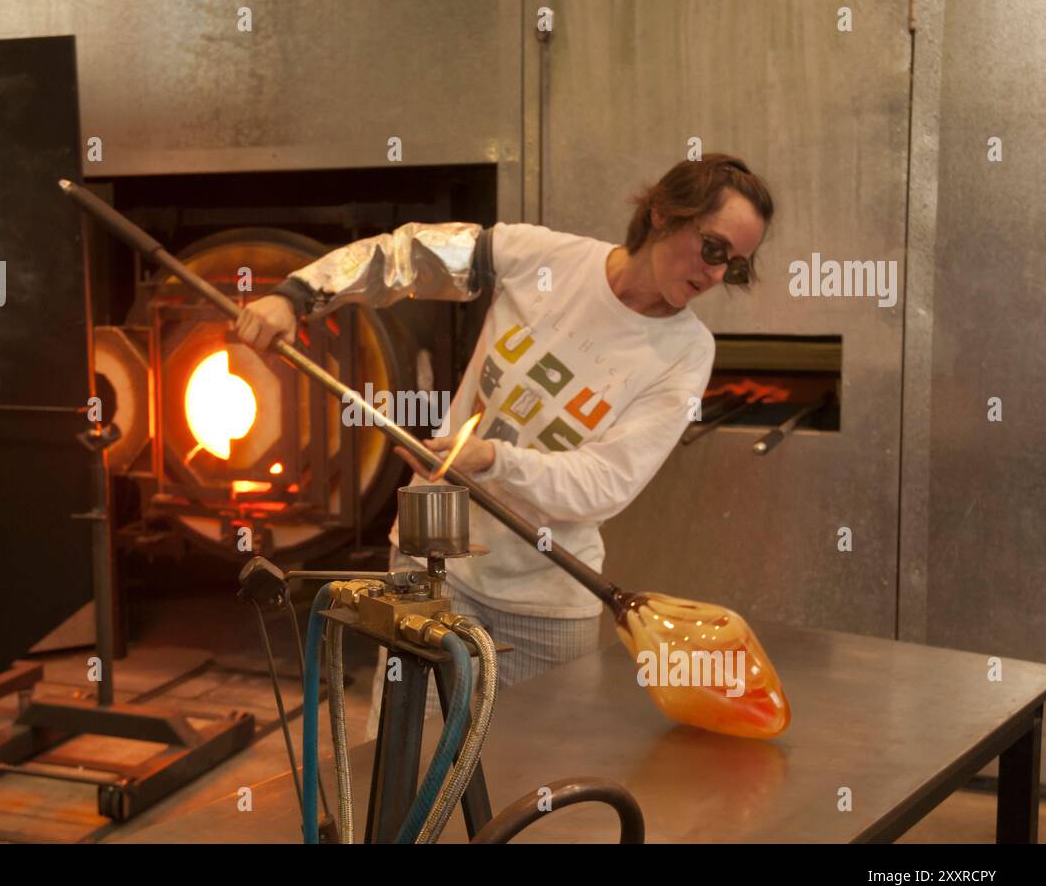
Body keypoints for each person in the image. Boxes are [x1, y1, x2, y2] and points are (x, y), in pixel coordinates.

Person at [235, 153, 774, 741]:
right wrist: (298, 294)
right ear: (664, 213)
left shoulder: (687, 351)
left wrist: (492, 460)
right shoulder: (546, 258)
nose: (718, 275)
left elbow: (606, 484)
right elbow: (406, 258)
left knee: (531, 789)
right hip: (431, 561)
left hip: (545, 603)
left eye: (737, 267)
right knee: (398, 762)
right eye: (714, 249)